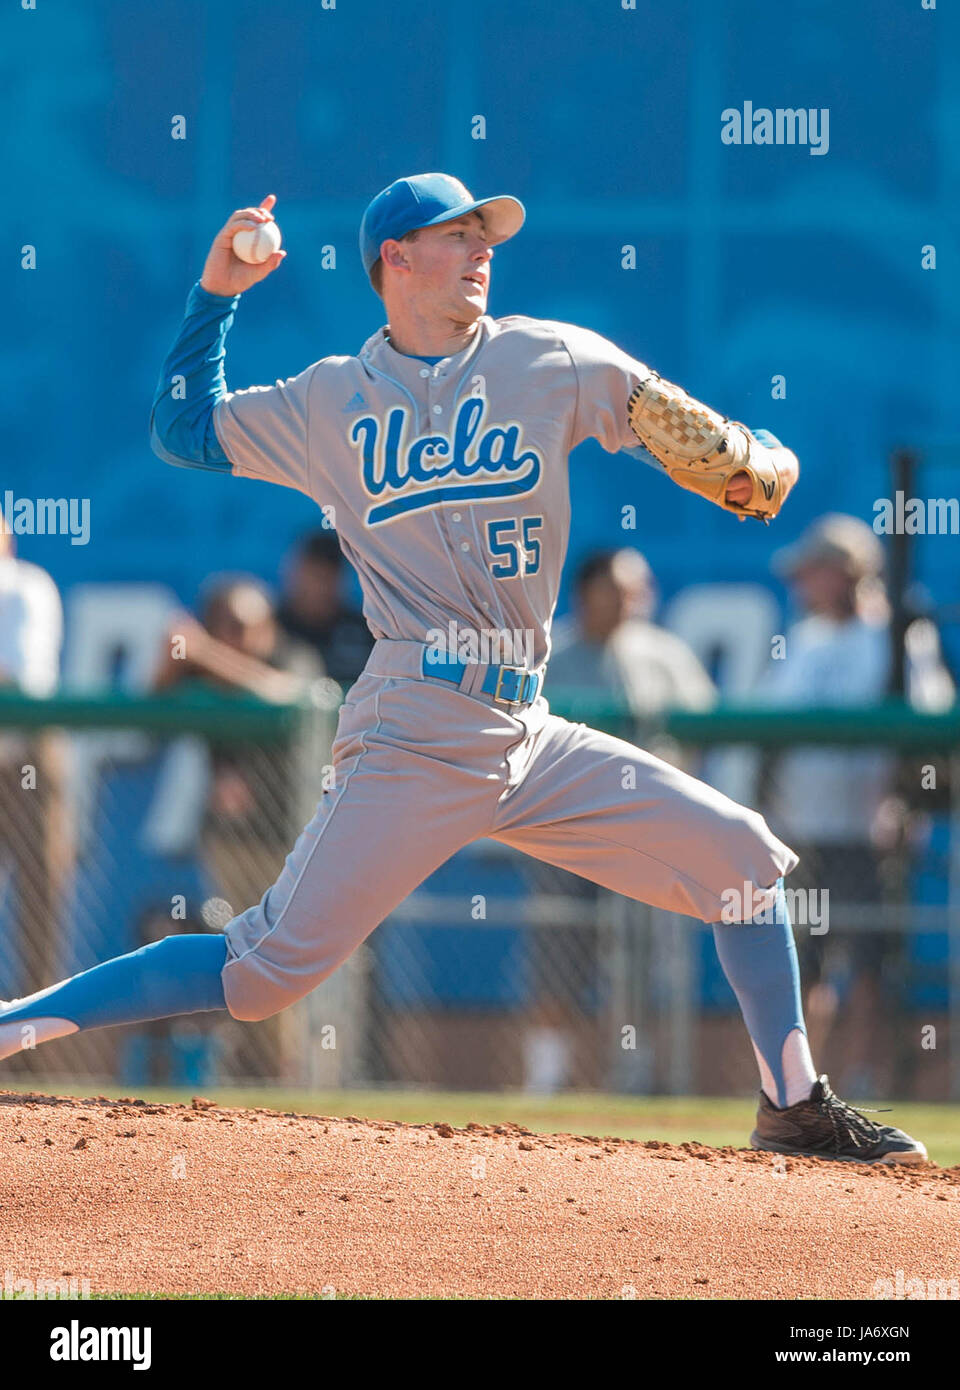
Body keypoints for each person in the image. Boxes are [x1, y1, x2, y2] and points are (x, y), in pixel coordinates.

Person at [0, 175, 925, 1163]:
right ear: (395, 260)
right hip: (413, 725)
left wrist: (754, 460)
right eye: (458, 234)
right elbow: (182, 428)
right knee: (262, 972)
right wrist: (217, 292)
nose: (484, 248)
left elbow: (712, 452)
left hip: (528, 729)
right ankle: (12, 1025)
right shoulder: (328, 399)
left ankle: (794, 1105)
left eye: (488, 234)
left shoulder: (553, 358)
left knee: (741, 862)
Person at [759, 513, 954, 1094]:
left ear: (846, 572)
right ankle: (800, 1085)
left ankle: (866, 1080)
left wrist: (907, 804)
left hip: (871, 832)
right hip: (803, 832)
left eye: (813, 572)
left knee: (870, 962)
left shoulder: (898, 638)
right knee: (805, 963)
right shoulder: (804, 639)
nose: (802, 584)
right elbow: (769, 724)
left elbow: (929, 724)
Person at [276, 530, 374, 687]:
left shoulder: (366, 630)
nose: (319, 587)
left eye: (327, 575)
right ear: (294, 572)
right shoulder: (271, 628)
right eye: (314, 574)